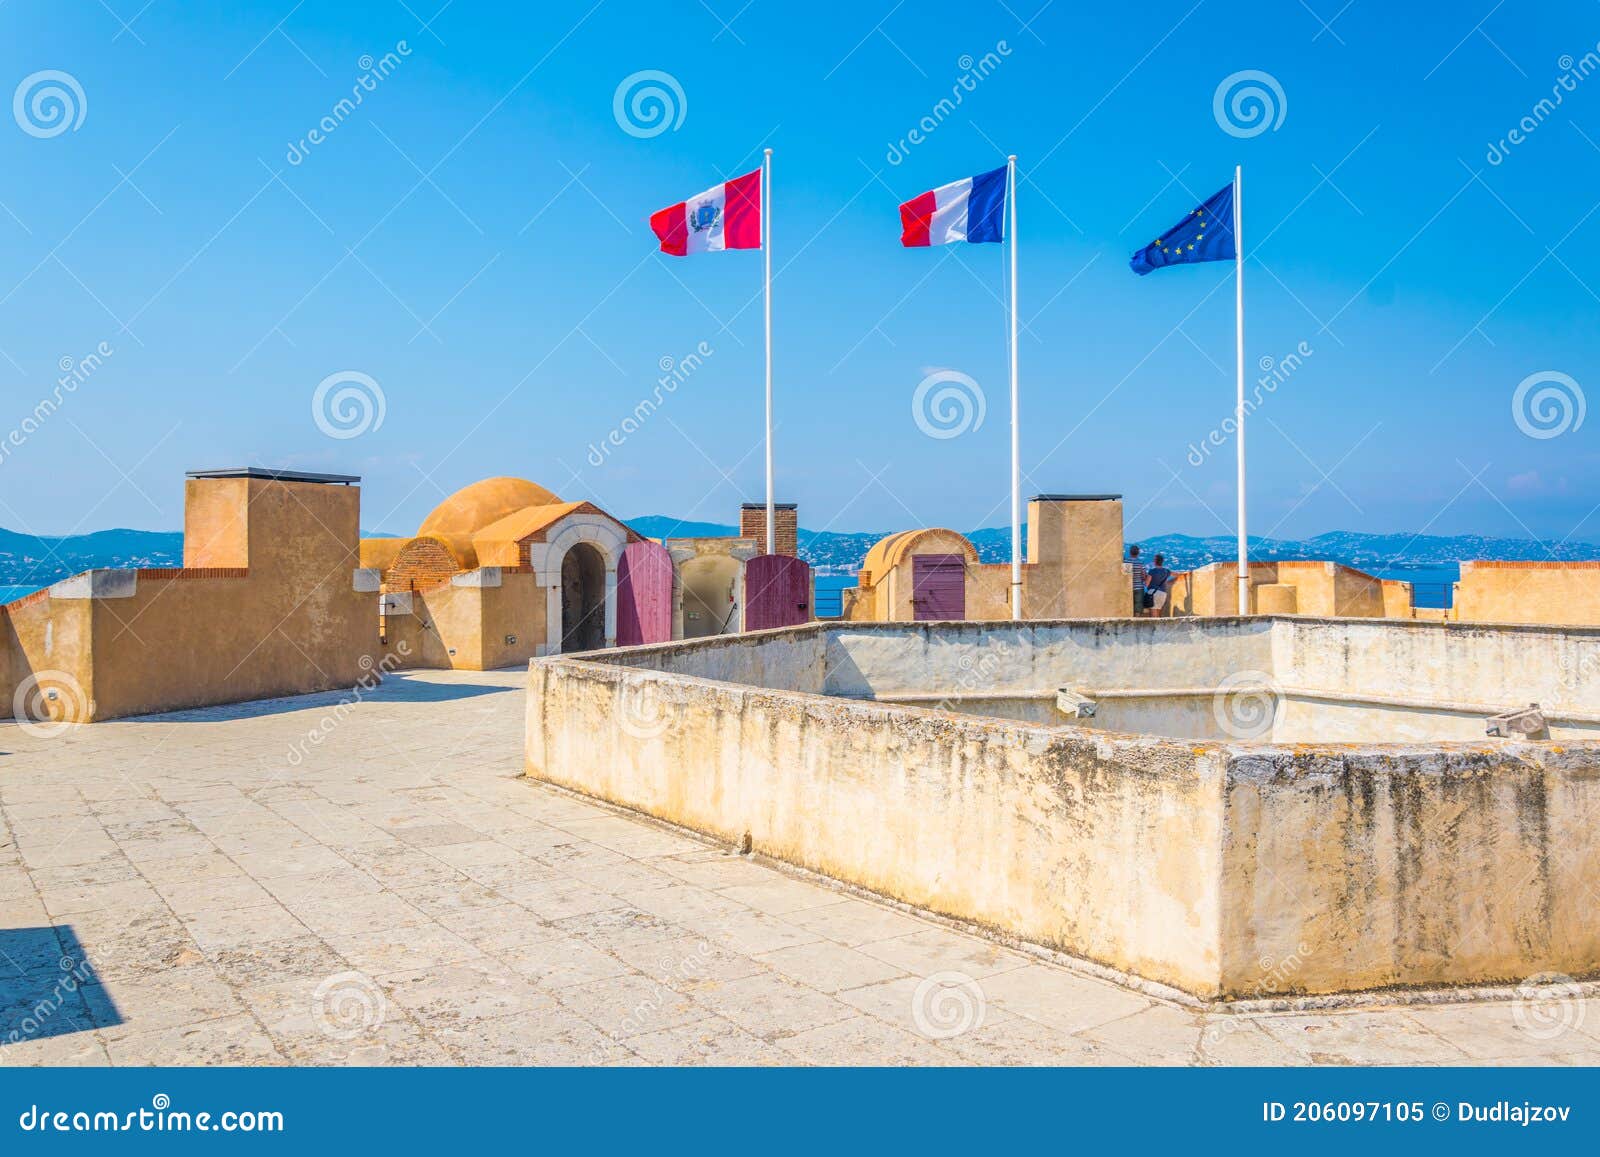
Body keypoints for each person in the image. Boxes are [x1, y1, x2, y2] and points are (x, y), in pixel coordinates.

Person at [1127, 545, 1148, 615]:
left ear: (1130, 552)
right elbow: (1144, 576)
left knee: (1128, 607)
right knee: (1138, 608)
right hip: (1139, 587)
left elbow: (1125, 575)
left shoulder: (1126, 561)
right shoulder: (1141, 562)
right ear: (1138, 553)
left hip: (1128, 588)